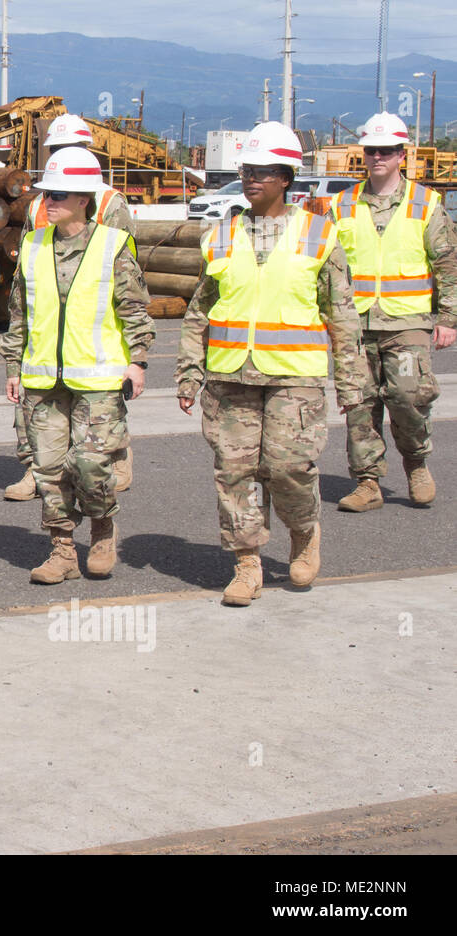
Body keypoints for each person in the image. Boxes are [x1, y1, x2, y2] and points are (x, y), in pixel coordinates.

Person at [176, 122, 371, 607]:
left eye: (264, 171)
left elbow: (342, 315)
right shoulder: (219, 236)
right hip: (229, 377)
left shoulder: (320, 235)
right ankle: (246, 565)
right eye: (247, 169)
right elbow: (200, 310)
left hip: (294, 379)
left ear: (286, 177)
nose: (252, 178)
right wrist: (188, 371)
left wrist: (352, 385)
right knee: (234, 473)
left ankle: (304, 535)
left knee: (287, 469)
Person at [2, 146, 154, 583]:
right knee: (48, 469)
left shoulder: (112, 245)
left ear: (84, 199)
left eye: (60, 195)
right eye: (47, 193)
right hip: (42, 376)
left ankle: (103, 528)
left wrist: (138, 361)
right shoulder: (32, 245)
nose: (48, 202)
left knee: (90, 465)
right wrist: (13, 365)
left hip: (99, 380)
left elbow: (134, 309)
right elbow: (19, 312)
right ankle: (63, 549)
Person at [0, 113, 137, 502]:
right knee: (33, 405)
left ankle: (116, 457)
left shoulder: (109, 200)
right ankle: (35, 468)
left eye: (71, 149)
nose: (62, 156)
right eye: (57, 149)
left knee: (99, 409)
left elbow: (123, 262)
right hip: (44, 317)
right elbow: (27, 257)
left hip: (90, 319)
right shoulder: (40, 203)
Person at [327, 112, 457, 512]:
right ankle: (368, 482)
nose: (377, 156)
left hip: (408, 321)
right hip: (355, 323)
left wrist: (449, 318)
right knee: (359, 404)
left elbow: (448, 263)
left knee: (407, 397)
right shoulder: (342, 204)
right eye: (370, 150)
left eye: (385, 150)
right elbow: (326, 268)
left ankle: (416, 463)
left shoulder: (426, 204)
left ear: (402, 155)